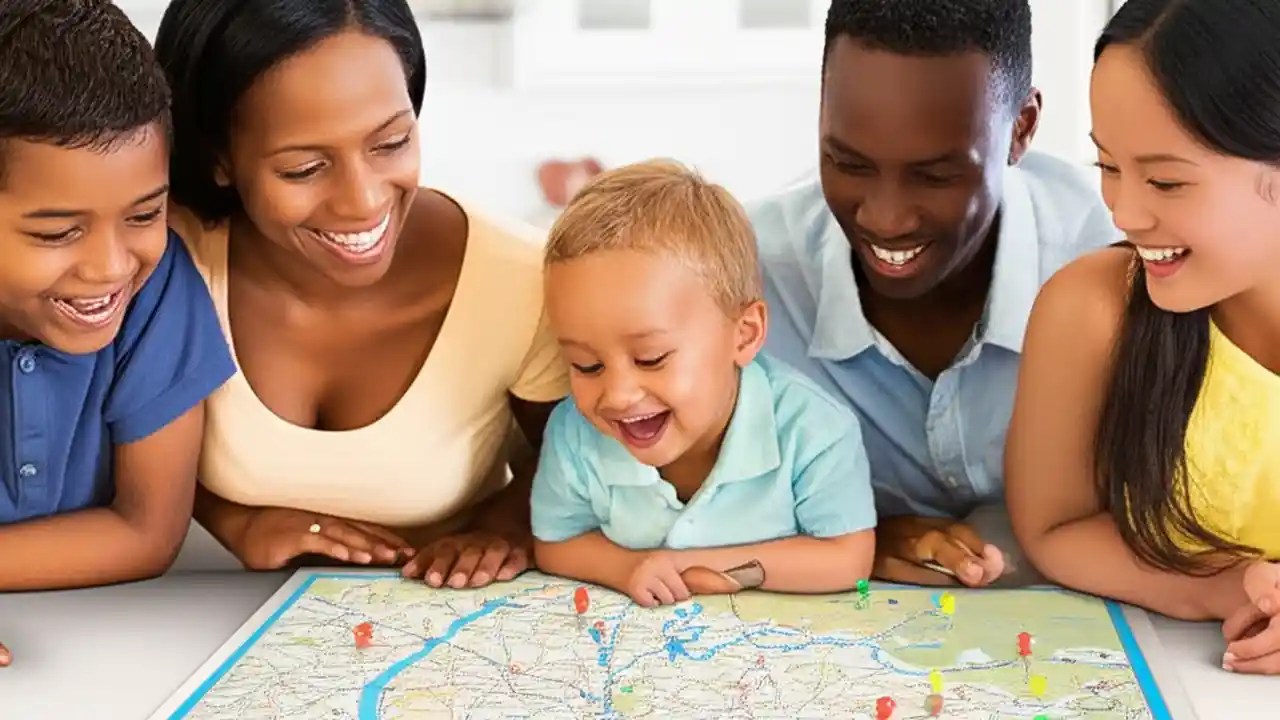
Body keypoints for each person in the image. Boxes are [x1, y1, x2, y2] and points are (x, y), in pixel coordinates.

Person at [154, 0, 568, 586]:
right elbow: (106, 430)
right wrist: (236, 521)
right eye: (303, 169)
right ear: (220, 158)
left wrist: (501, 528)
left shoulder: (521, 279)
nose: (363, 200)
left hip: (446, 624)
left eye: (391, 142)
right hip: (208, 627)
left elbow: (584, 458)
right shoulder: (165, 259)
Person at [749, 0, 1118, 586]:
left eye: (937, 175)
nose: (887, 218)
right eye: (849, 162)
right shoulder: (743, 277)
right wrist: (854, 538)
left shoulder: (1119, 262)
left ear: (1021, 128)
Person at [1006, 0, 1280, 675]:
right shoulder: (1090, 313)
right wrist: (1219, 585)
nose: (1124, 211)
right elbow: (1053, 527)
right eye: (1107, 166)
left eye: (1165, 180)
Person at [0, 0, 235, 665]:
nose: (110, 268)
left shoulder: (157, 295)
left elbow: (146, 531)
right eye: (57, 232)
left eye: (144, 214)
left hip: (105, 650)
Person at [531, 160, 876, 608]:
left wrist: (693, 569)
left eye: (650, 358)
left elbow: (848, 557)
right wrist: (628, 569)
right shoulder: (575, 433)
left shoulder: (816, 429)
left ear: (744, 333)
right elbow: (557, 542)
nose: (616, 395)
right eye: (586, 365)